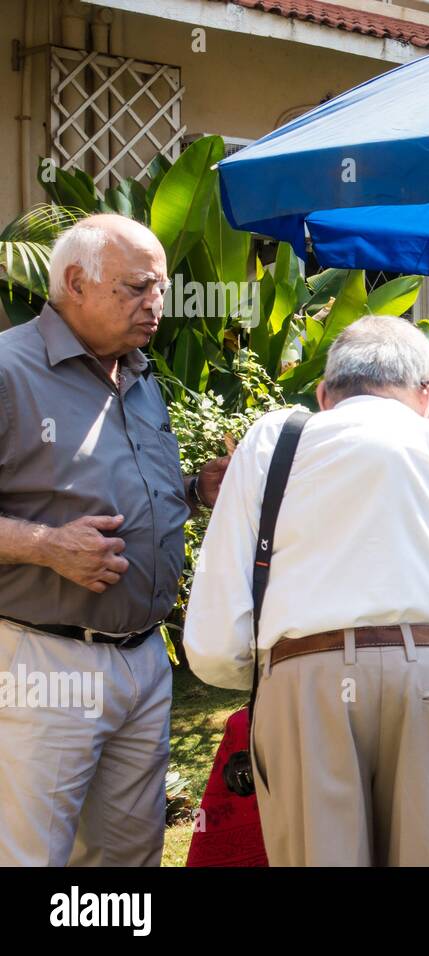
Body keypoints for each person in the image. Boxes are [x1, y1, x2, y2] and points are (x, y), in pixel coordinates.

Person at [183, 315, 429, 866]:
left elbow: (217, 627)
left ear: (324, 393)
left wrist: (266, 676)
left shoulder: (273, 440)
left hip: (308, 680)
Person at [0, 213, 228, 866]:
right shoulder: (10, 372)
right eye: (137, 287)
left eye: (161, 289)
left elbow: (123, 491)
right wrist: (45, 545)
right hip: (46, 658)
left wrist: (193, 490)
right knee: (32, 855)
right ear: (76, 281)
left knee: (128, 856)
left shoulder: (138, 374)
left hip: (145, 661)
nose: (156, 304)